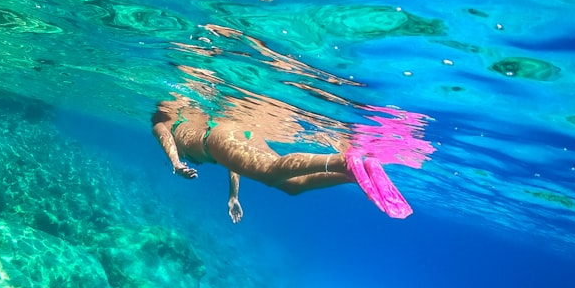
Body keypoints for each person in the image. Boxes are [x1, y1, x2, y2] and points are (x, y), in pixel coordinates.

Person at [151, 98, 412, 221]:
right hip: (228, 136)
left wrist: (176, 164)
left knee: (269, 171)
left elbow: (166, 141)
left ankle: (341, 162)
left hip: (217, 139)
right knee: (291, 186)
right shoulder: (190, 125)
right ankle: (353, 173)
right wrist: (233, 197)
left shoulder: (161, 124)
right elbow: (234, 161)